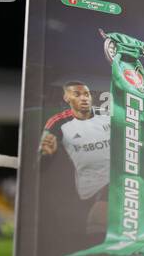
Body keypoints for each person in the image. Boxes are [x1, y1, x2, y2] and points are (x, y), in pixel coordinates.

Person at [40, 81, 110, 244]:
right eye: (77, 94)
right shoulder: (57, 122)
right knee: (94, 228)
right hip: (88, 185)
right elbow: (42, 157)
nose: (84, 98)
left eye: (86, 94)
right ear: (66, 97)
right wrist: (46, 154)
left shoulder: (106, 115)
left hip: (114, 179)